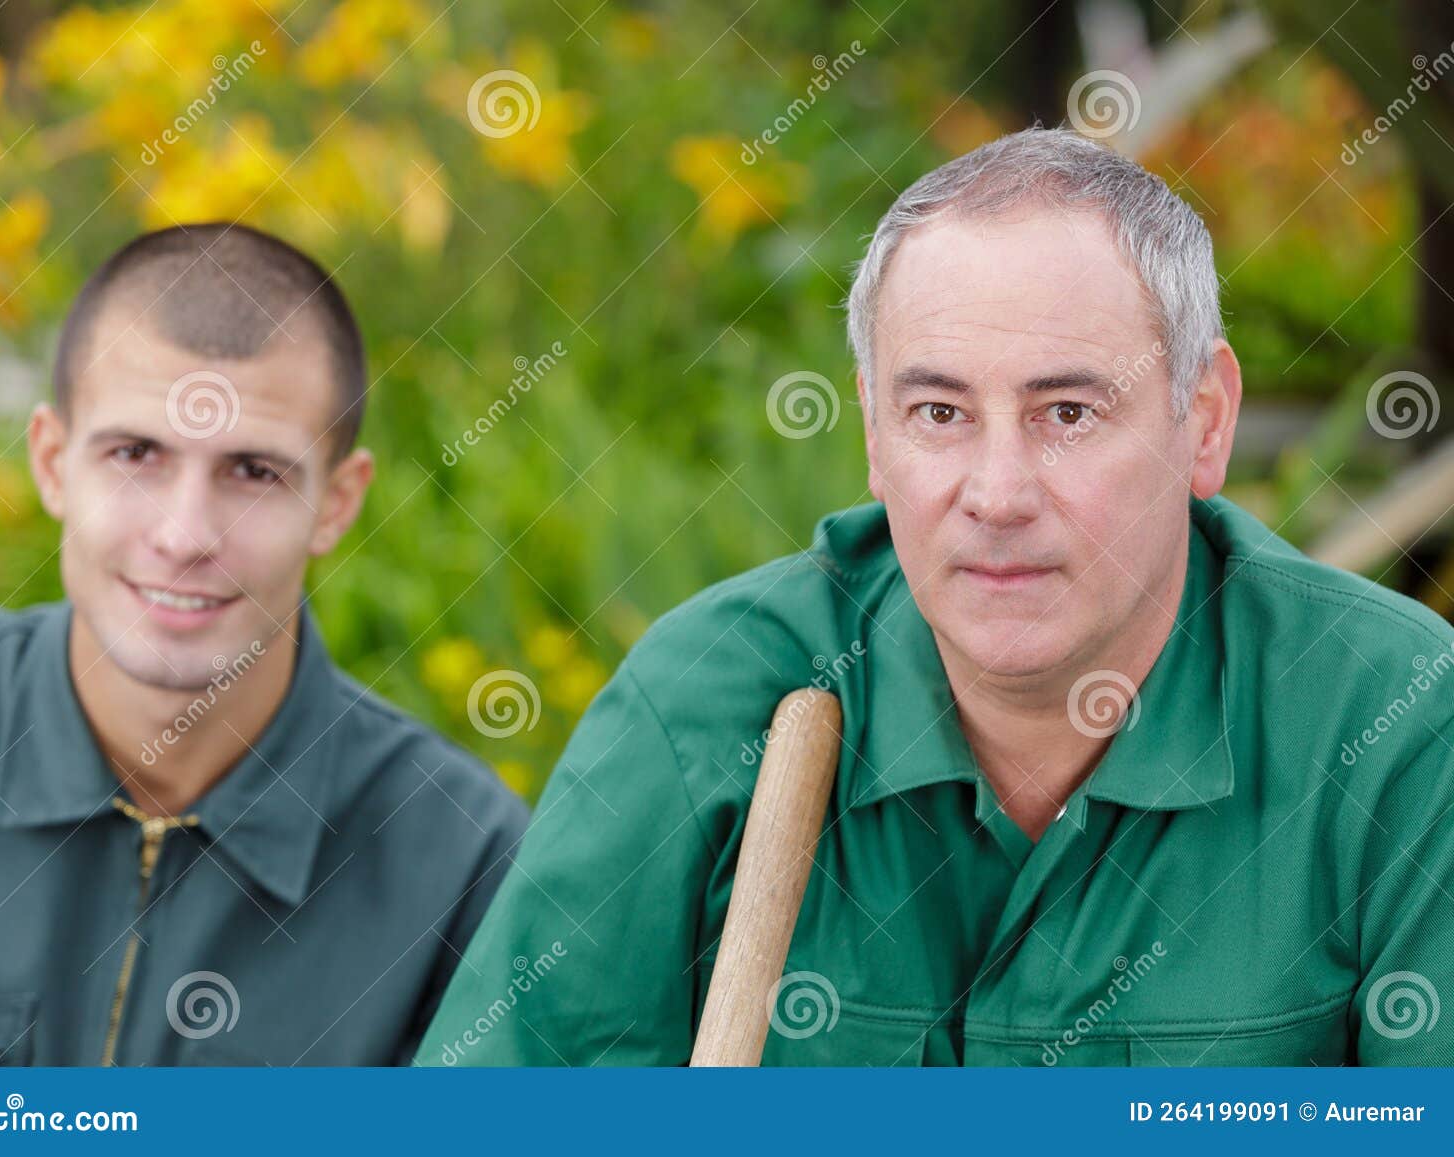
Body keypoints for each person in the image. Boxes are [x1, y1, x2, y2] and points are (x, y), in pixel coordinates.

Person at [417, 127, 1454, 1066]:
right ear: (873, 430)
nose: (996, 494)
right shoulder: (703, 703)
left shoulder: (1400, 725)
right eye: (940, 411)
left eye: (1068, 411)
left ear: (1207, 418)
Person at [0, 223, 527, 1066]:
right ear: (54, 462)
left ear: (338, 501)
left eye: (254, 472)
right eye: (136, 453)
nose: (185, 535)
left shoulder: (463, 867)